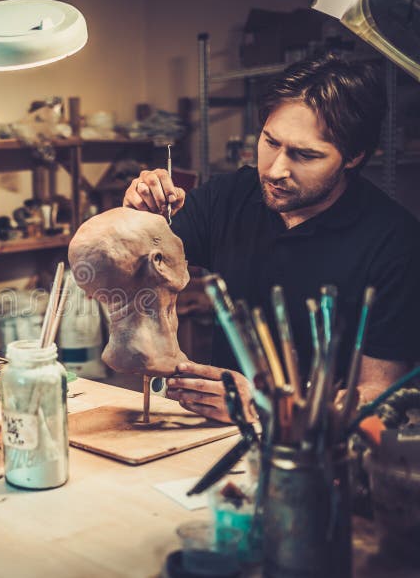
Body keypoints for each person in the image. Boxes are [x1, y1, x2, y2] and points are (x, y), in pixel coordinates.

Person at [123, 54, 420, 423]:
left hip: (320, 457)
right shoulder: (231, 196)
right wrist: (139, 214)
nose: (276, 170)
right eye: (270, 141)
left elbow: (378, 400)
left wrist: (270, 408)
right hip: (219, 438)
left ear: (354, 156)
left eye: (305, 155)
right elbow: (139, 258)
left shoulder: (394, 242)